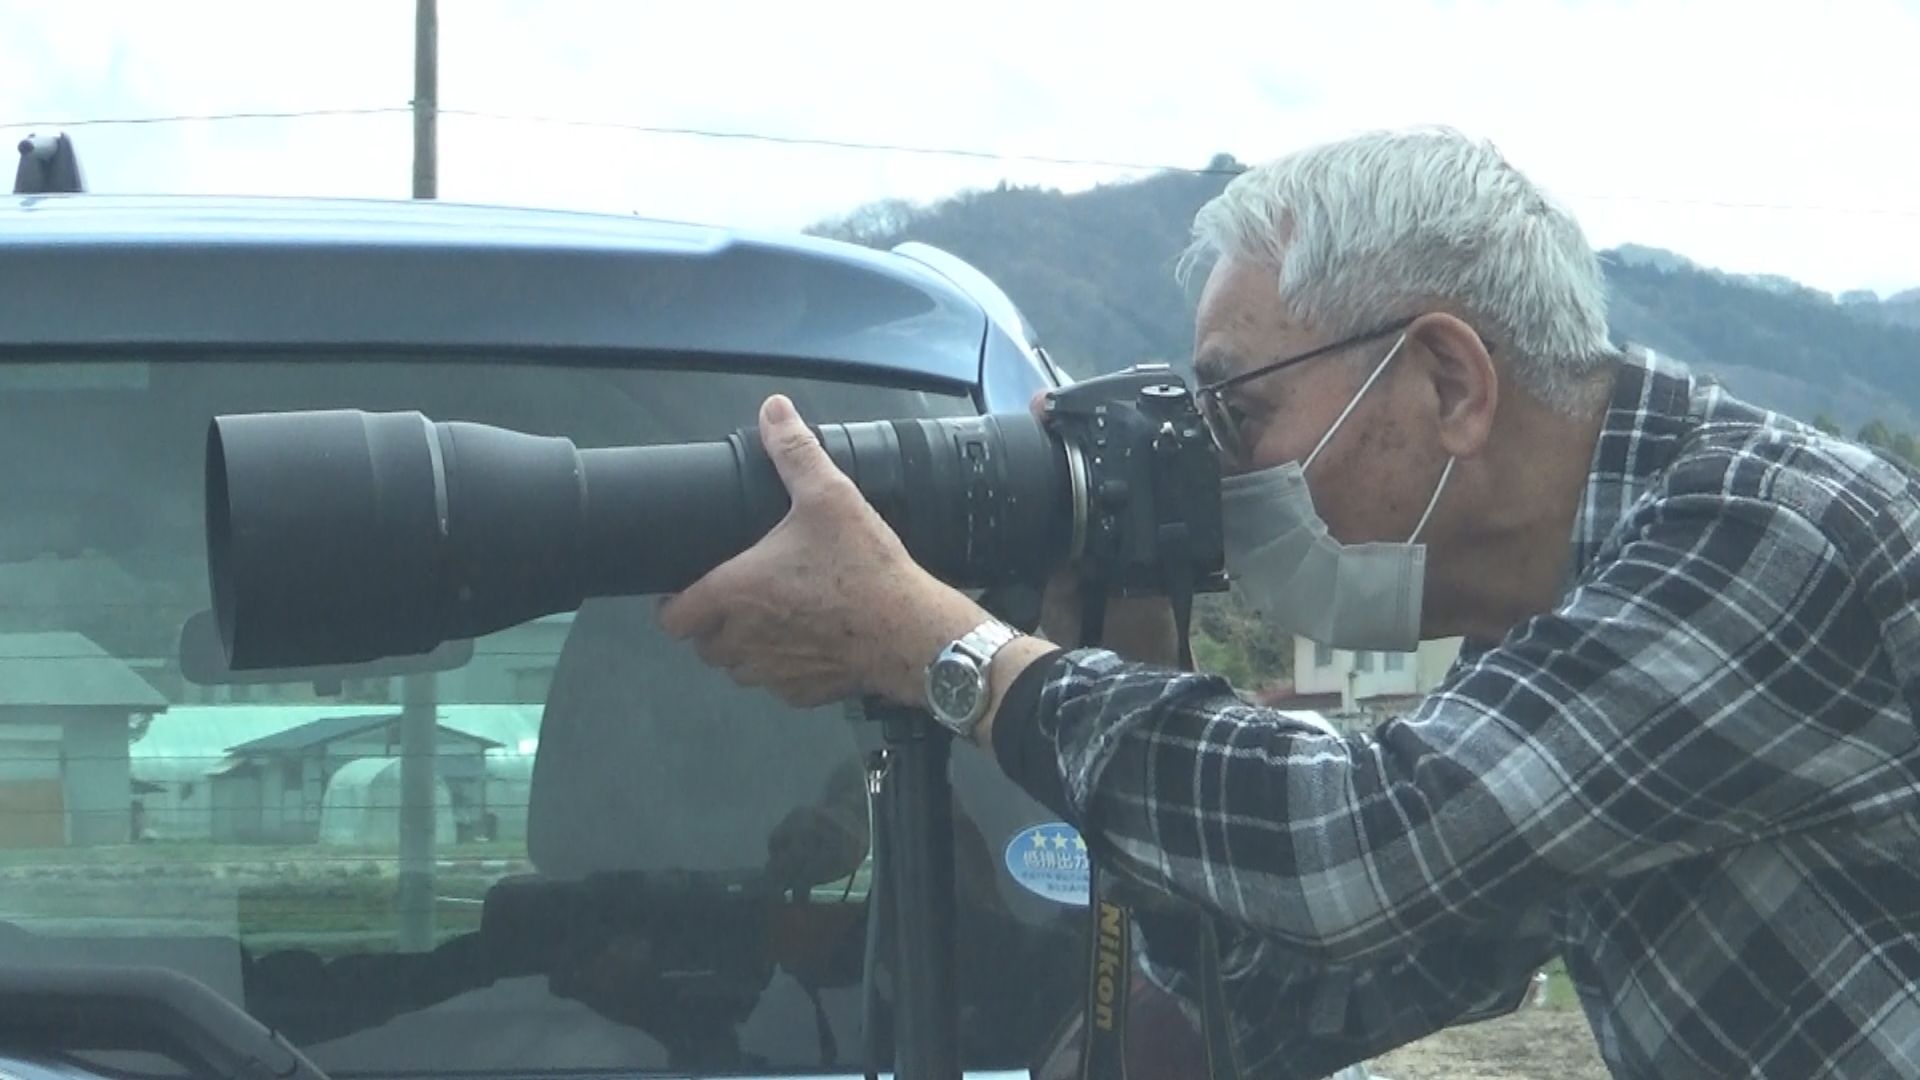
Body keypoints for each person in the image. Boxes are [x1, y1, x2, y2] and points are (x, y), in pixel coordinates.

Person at [657, 126, 1920, 1078]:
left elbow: (1355, 851)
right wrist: (1134, 658)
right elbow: (1283, 1005)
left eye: (1237, 410)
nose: (1215, 467)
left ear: (1448, 383)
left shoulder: (1768, 535)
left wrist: (942, 647)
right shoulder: (1562, 644)